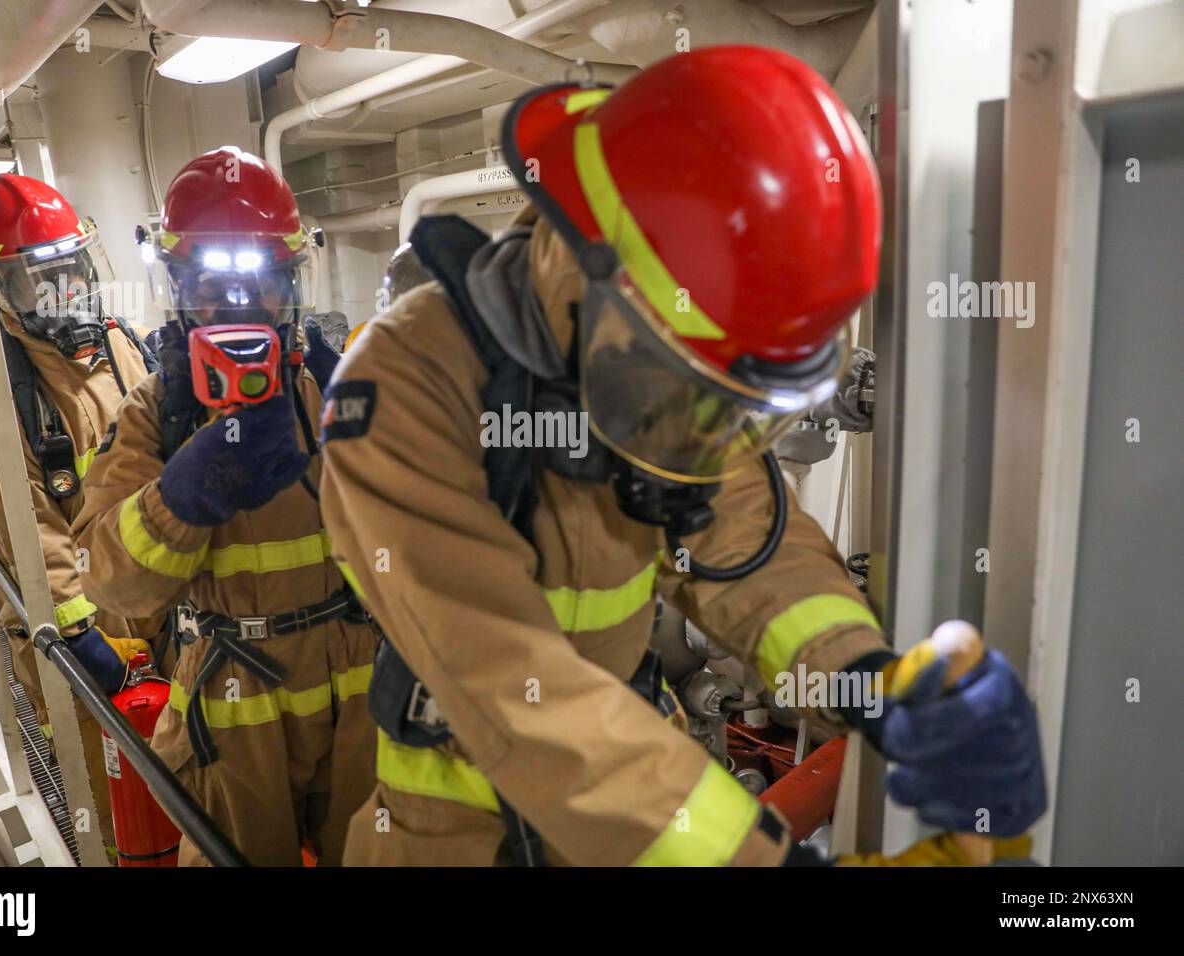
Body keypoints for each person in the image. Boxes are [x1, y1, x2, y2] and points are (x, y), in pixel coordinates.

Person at [318, 46, 1045, 866]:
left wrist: (872, 683)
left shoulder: (638, 363)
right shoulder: (405, 383)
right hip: (458, 832)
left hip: (647, 796)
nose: (709, 428)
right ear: (597, 277)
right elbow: (513, 687)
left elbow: (746, 550)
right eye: (696, 387)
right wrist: (763, 860)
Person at [71, 146, 377, 867]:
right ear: (180, 290)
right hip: (232, 701)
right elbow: (108, 582)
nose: (241, 307)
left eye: (260, 284)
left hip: (358, 690)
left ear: (290, 289)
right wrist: (181, 497)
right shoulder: (157, 412)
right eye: (214, 286)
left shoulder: (341, 392)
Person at [0, 173, 161, 854]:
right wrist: (81, 641)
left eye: (70, 268)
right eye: (42, 278)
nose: (65, 290)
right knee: (110, 791)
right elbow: (24, 527)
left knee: (180, 770)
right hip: (75, 622)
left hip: (148, 595)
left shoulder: (119, 343)